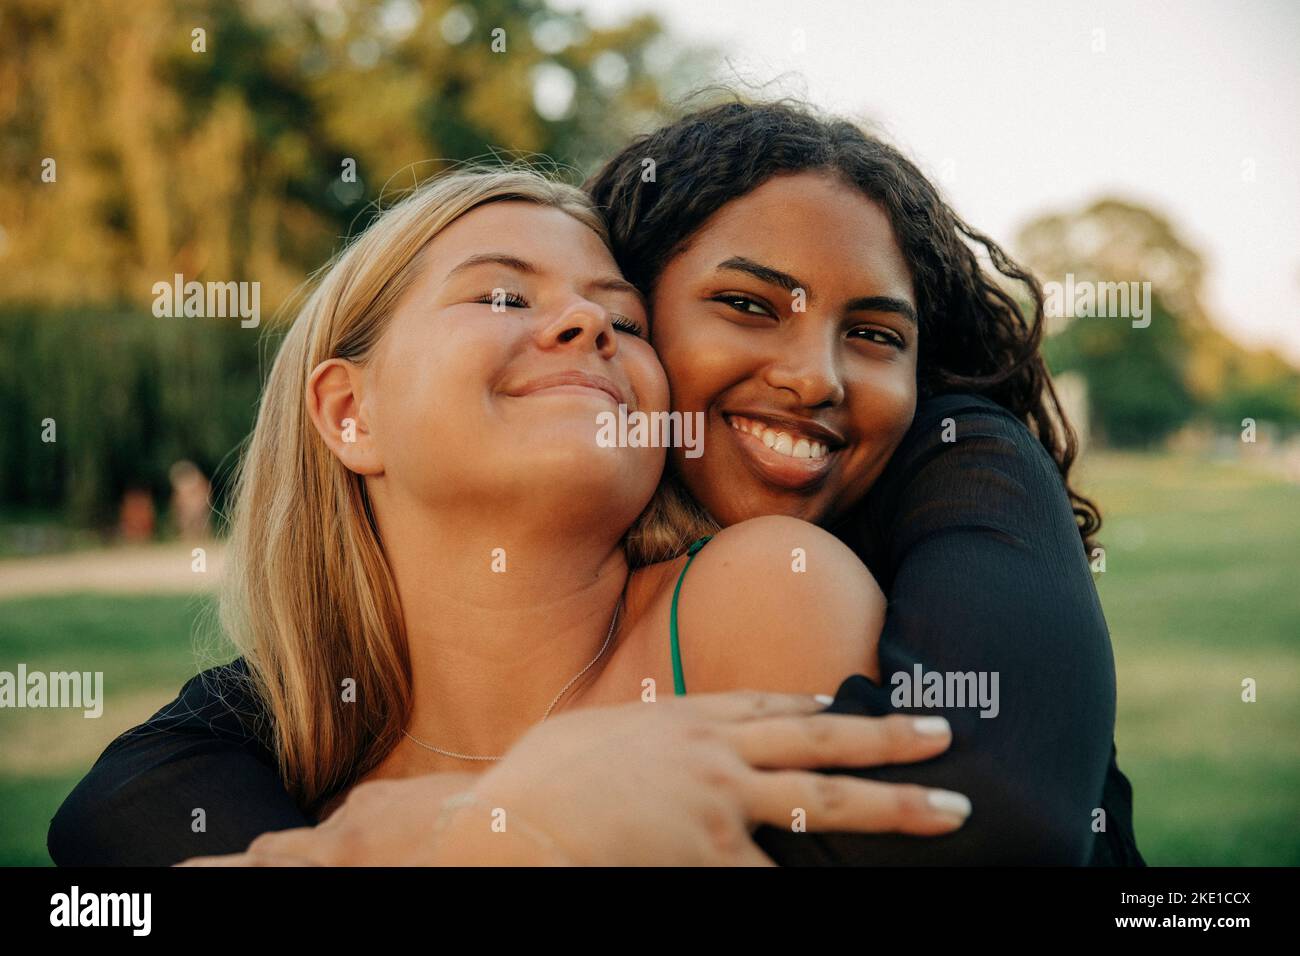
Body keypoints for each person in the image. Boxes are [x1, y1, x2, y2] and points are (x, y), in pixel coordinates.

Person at [50, 97, 1142, 866]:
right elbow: (102, 828)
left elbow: (984, 811)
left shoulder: (772, 584)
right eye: (500, 297)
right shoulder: (281, 743)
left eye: (615, 317)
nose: (582, 323)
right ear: (348, 410)